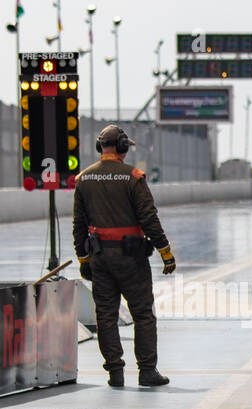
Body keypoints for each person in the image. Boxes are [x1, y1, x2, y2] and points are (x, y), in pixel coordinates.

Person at [72, 124, 177, 388]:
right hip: (131, 258)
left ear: (100, 148)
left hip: (100, 258)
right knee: (142, 313)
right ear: (121, 148)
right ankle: (147, 371)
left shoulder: (84, 179)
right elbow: (149, 219)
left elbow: (79, 226)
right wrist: (165, 252)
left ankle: (115, 373)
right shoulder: (133, 177)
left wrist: (83, 259)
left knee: (105, 315)